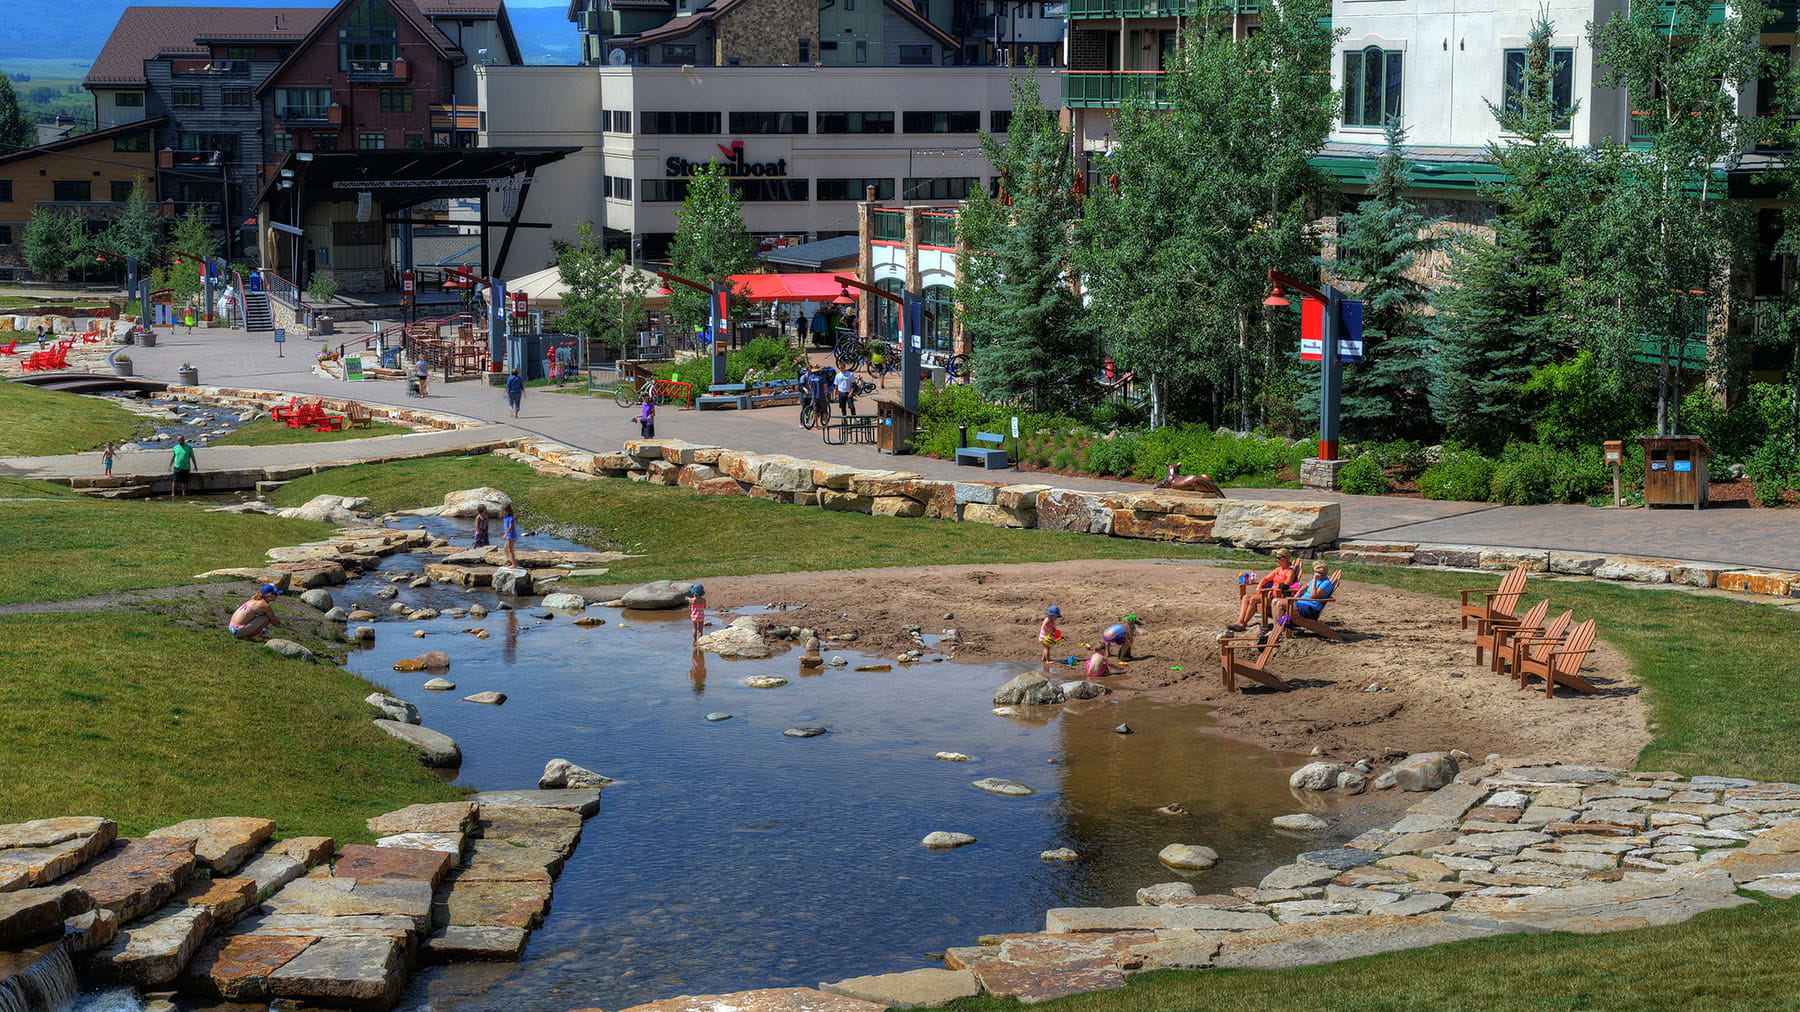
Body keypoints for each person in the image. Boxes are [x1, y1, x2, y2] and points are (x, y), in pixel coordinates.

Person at [1229, 551, 1299, 632]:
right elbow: (1266, 578)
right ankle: (1240, 621)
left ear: (1287, 559)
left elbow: (1285, 585)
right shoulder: (1278, 570)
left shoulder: (1289, 572)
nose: (1277, 560)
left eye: (1280, 558)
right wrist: (1259, 586)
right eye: (1276, 558)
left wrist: (1272, 589)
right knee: (1246, 597)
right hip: (1270, 595)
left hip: (1278, 598)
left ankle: (1243, 624)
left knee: (1253, 599)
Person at [1276, 562, 1336, 627]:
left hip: (1310, 608)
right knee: (1275, 601)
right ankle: (1276, 627)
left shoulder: (1326, 583)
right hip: (1301, 603)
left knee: (1279, 603)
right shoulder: (1315, 580)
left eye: (1317, 572)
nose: (1315, 573)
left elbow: (1313, 596)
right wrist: (1296, 596)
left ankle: (1280, 628)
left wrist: (1315, 581)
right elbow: (1305, 586)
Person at [169, 435, 196, 500]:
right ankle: (173, 493)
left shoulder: (189, 448)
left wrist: (195, 465)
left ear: (184, 440)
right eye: (179, 440)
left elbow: (192, 457)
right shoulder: (175, 447)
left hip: (186, 467)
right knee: (175, 481)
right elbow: (173, 456)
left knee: (185, 481)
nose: (180, 441)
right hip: (177, 467)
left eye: (181, 440)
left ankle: (184, 493)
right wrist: (170, 465)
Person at [500, 503, 520, 568]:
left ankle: (514, 564)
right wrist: (505, 531)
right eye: (504, 511)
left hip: (511, 536)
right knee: (505, 549)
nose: (505, 513)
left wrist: (506, 533)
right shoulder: (505, 517)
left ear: (509, 511)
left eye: (506, 511)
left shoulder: (510, 518)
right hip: (508, 535)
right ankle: (510, 561)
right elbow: (506, 526)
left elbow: (511, 527)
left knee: (510, 549)